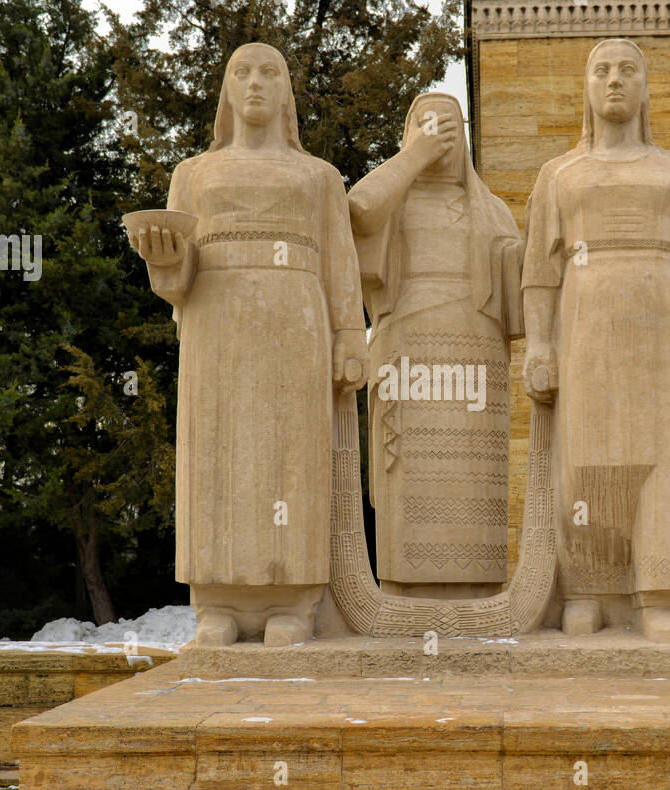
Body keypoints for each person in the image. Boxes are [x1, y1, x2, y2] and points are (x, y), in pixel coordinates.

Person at [127, 42, 368, 645]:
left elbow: (341, 264)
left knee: (290, 453)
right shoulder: (194, 174)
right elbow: (177, 282)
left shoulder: (319, 177)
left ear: (287, 92)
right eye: (241, 72)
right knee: (217, 454)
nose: (255, 82)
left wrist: (349, 335)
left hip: (296, 326)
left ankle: (293, 598)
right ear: (226, 91)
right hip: (217, 326)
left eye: (270, 73)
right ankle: (218, 601)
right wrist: (165, 263)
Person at [521, 38, 670, 642]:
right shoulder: (559, 175)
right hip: (585, 321)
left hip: (668, 320)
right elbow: (540, 268)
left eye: (627, 70)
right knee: (588, 453)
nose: (614, 80)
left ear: (645, 86)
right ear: (586, 88)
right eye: (601, 70)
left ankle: (659, 597)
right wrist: (539, 343)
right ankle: (590, 589)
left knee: (668, 457)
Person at [348, 92, 523, 597]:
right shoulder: (393, 203)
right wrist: (415, 157)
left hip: (475, 354)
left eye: (449, 123)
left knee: (470, 472)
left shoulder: (490, 210)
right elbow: (356, 211)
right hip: (407, 349)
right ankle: (404, 588)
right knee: (410, 473)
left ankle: (479, 589)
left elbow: (521, 281)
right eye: (425, 123)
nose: (439, 131)